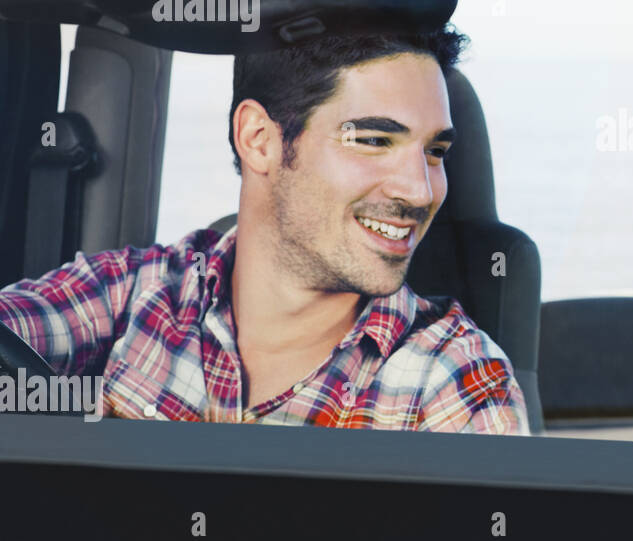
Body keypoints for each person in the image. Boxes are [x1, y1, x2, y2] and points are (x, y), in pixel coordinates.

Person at [0, 29, 529, 433]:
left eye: (435, 152)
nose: (419, 190)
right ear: (259, 140)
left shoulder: (452, 379)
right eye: (373, 141)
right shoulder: (135, 293)